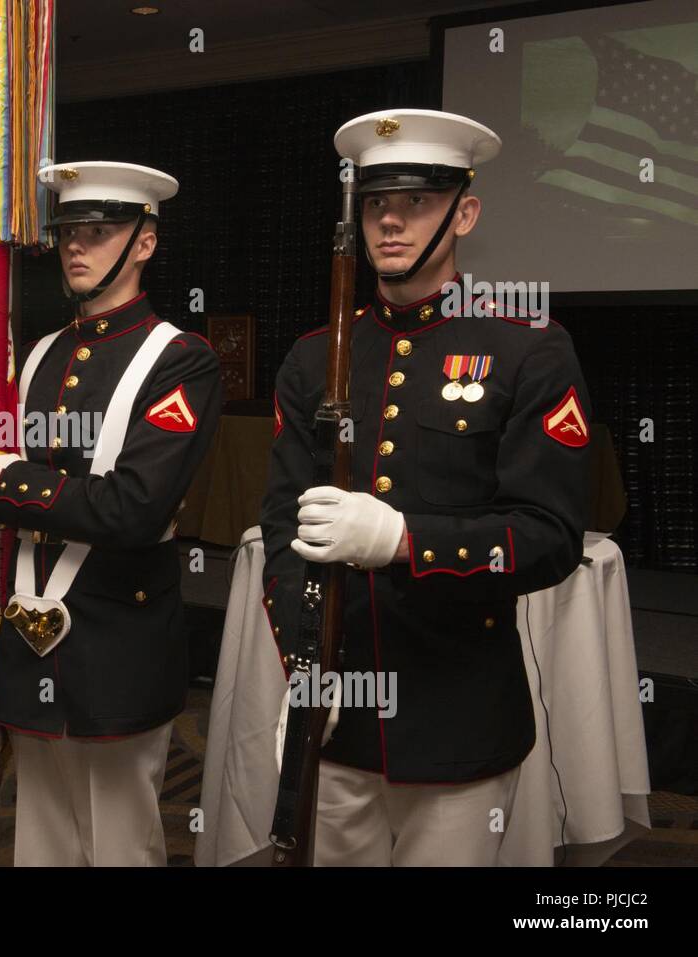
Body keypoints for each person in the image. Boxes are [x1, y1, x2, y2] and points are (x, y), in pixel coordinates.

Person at [259, 109, 592, 866]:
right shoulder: (315, 360)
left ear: (464, 213)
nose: (391, 222)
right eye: (377, 204)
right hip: (337, 719)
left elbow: (547, 537)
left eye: (416, 202)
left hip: (457, 722)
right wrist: (305, 667)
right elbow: (283, 528)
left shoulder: (525, 347)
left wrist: (404, 539)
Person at [0, 162, 222, 866]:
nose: (76, 245)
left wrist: (14, 481)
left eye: (99, 231)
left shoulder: (181, 360)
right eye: (70, 230)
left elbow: (134, 507)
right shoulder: (39, 356)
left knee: (120, 849)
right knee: (39, 847)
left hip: (117, 650)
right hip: (25, 647)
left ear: (145, 243)